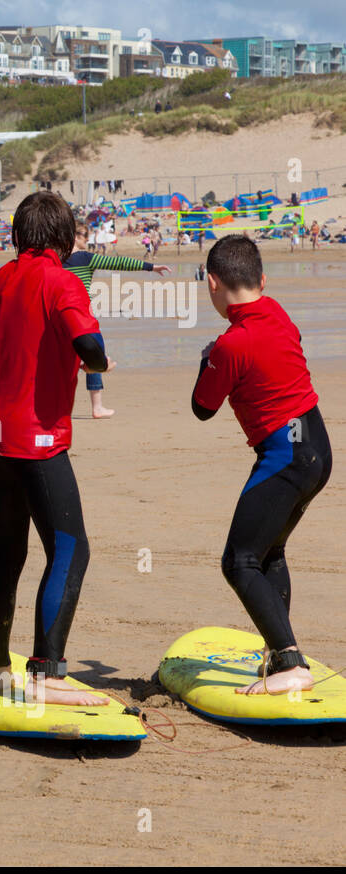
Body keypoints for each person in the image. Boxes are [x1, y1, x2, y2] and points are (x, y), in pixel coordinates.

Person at [0, 190, 113, 706]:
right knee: (70, 548)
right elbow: (89, 344)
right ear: (64, 240)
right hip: (38, 443)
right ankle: (46, 672)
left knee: (7, 552)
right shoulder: (61, 281)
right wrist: (98, 366)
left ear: (17, 237)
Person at [191, 236, 330, 696]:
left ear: (212, 283)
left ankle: (290, 663)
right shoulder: (278, 313)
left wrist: (207, 359)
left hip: (286, 456)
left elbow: (202, 408)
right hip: (316, 447)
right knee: (269, 552)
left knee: (239, 561)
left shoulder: (232, 344)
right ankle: (279, 656)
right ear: (262, 280)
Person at [66, 221, 172, 418]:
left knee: (64, 364)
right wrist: (151, 267)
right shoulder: (85, 258)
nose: (87, 238)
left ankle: (61, 406)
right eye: (83, 234)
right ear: (73, 236)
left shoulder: (54, 260)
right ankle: (97, 401)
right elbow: (119, 263)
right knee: (96, 355)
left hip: (60, 320)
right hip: (82, 318)